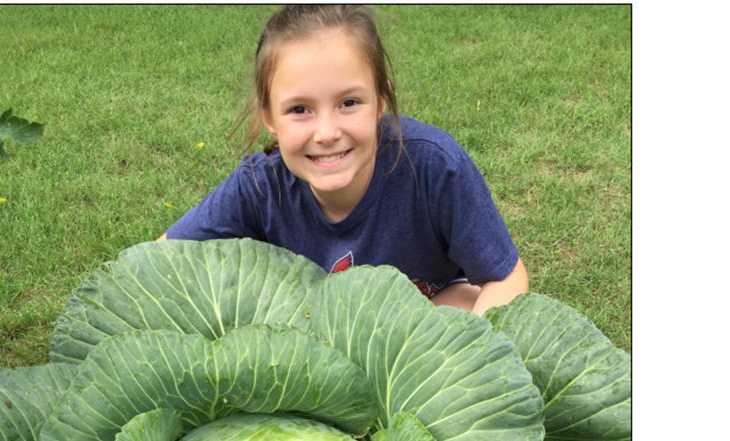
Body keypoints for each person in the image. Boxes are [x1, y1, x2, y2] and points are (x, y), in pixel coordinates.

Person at [158, 5, 528, 315]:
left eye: (348, 103)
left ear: (381, 101)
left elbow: (506, 278)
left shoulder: (433, 167)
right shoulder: (259, 187)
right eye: (299, 109)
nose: (326, 132)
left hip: (424, 325)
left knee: (466, 303)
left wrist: (463, 362)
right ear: (269, 117)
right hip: (314, 341)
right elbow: (157, 264)